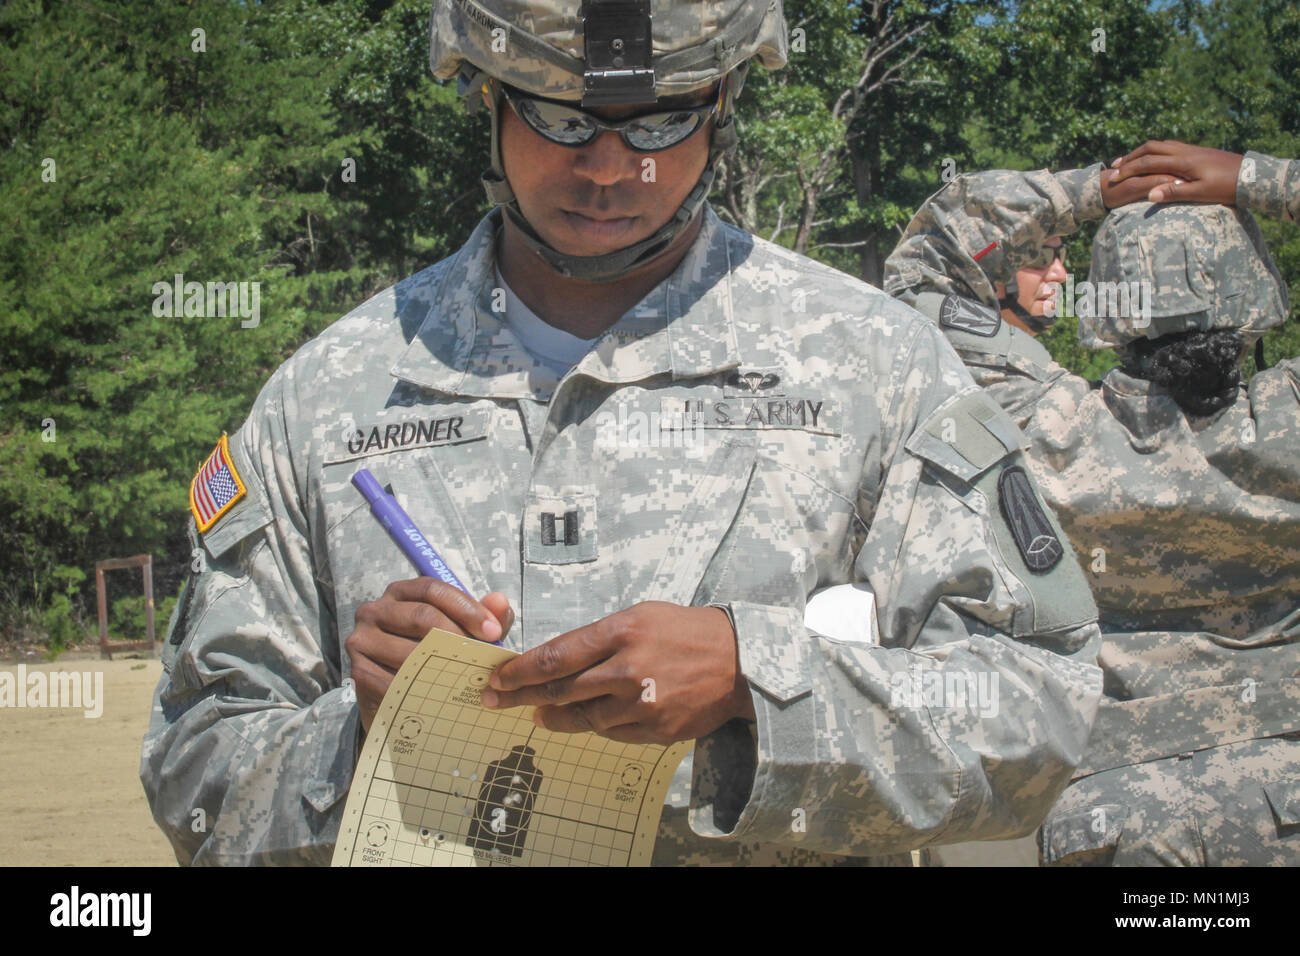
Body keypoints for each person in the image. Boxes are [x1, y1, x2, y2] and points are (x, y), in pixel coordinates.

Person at [140, 0, 1103, 866]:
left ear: (721, 105)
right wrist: (362, 733)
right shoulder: (331, 396)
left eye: (660, 121)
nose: (607, 167)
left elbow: (1042, 706)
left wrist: (752, 687)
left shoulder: (876, 368)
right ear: (489, 100)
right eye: (558, 119)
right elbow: (193, 771)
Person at [884, 146, 1300, 865]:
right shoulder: (1287, 426)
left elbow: (920, 274)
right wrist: (1258, 179)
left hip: (1106, 816)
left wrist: (1093, 190)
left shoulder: (1045, 426)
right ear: (1256, 291)